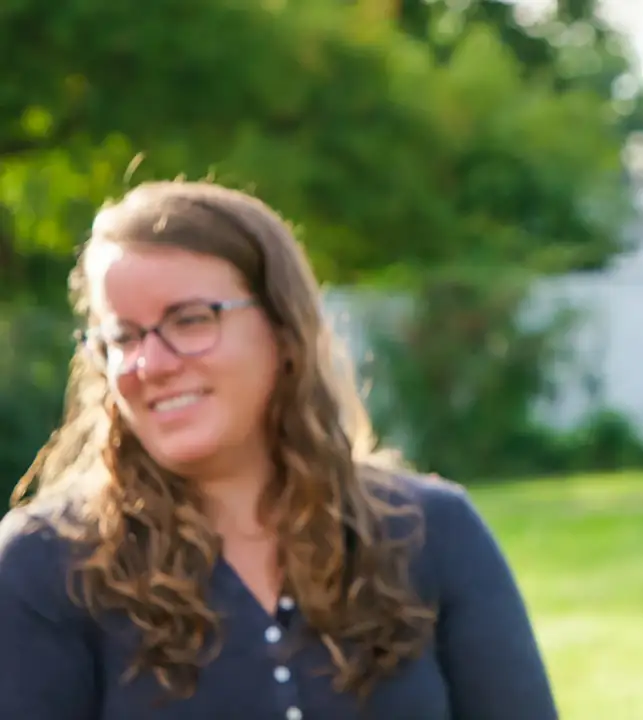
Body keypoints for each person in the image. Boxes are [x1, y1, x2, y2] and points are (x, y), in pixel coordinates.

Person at [0, 180, 559, 719]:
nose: (151, 364)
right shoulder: (48, 564)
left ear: (284, 329)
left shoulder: (432, 531)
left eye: (190, 320)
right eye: (124, 336)